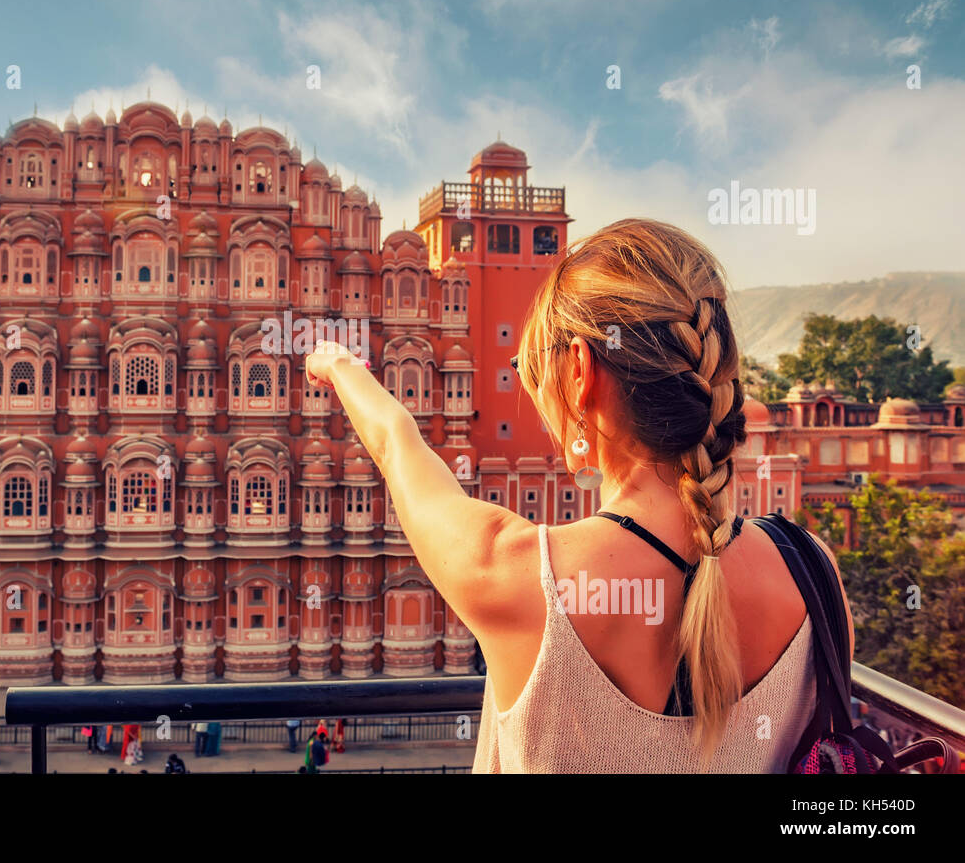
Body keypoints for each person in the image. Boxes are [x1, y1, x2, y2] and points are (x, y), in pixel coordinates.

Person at [303, 218, 852, 774]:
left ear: (581, 372)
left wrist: (342, 366)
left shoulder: (516, 574)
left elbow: (399, 447)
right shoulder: (813, 570)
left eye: (532, 368)